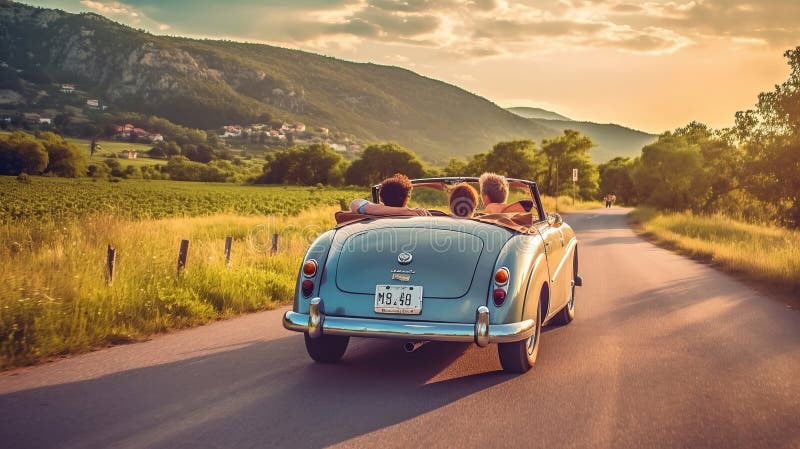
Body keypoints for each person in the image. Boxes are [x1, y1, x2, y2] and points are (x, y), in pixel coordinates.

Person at [349, 173, 430, 216]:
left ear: (381, 198)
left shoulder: (372, 214)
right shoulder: (420, 215)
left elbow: (355, 203)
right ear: (407, 198)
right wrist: (408, 210)